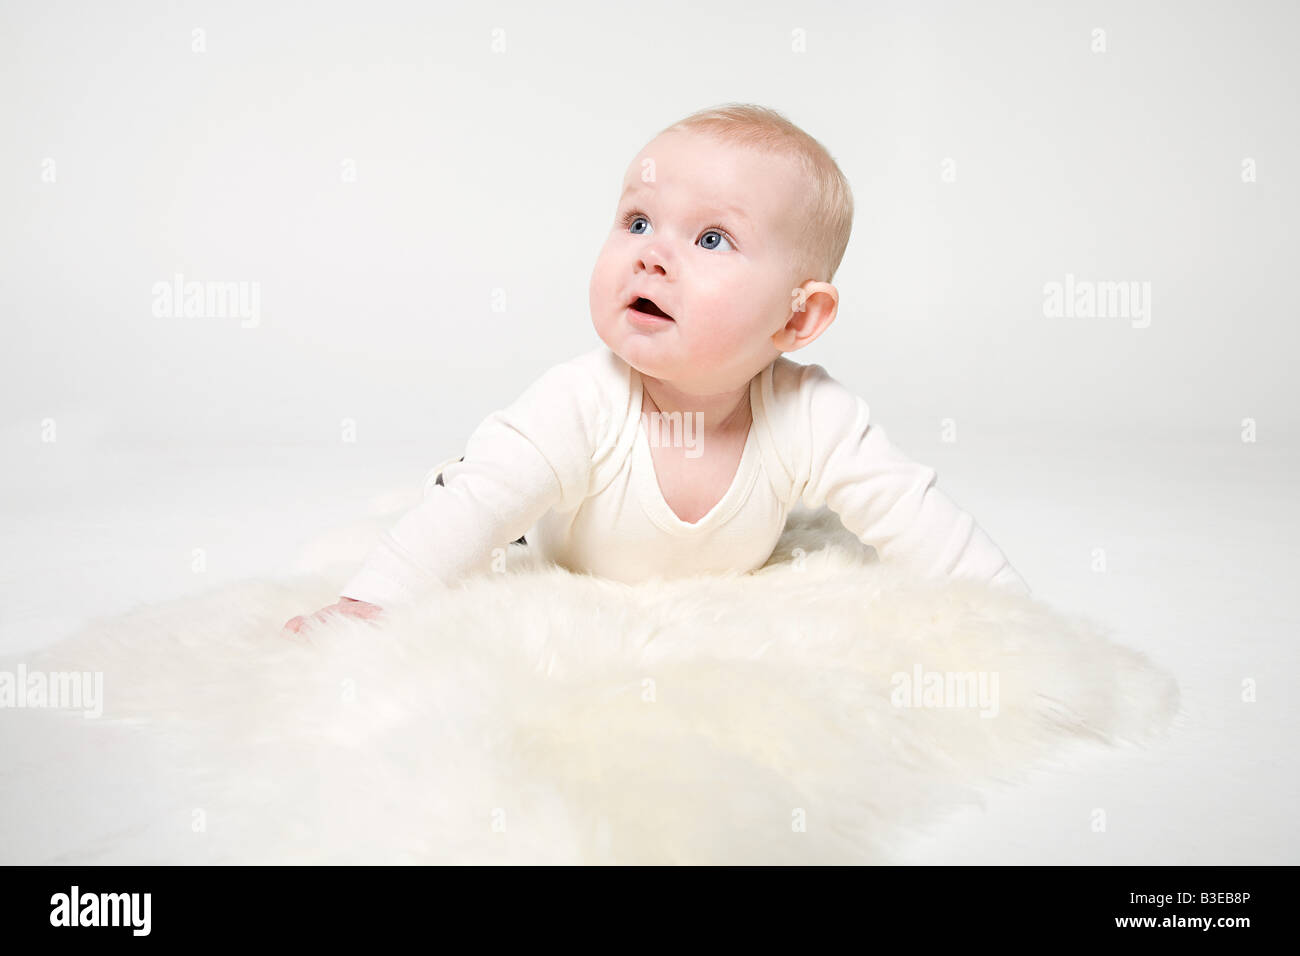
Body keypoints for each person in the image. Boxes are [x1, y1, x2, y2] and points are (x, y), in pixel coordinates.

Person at [284, 103, 1028, 635]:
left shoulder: (812, 415)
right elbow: (474, 511)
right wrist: (367, 605)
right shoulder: (583, 400)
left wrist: (1014, 617)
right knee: (487, 492)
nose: (650, 252)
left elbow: (919, 518)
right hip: (537, 531)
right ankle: (454, 470)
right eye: (638, 221)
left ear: (798, 318)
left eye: (711, 238)